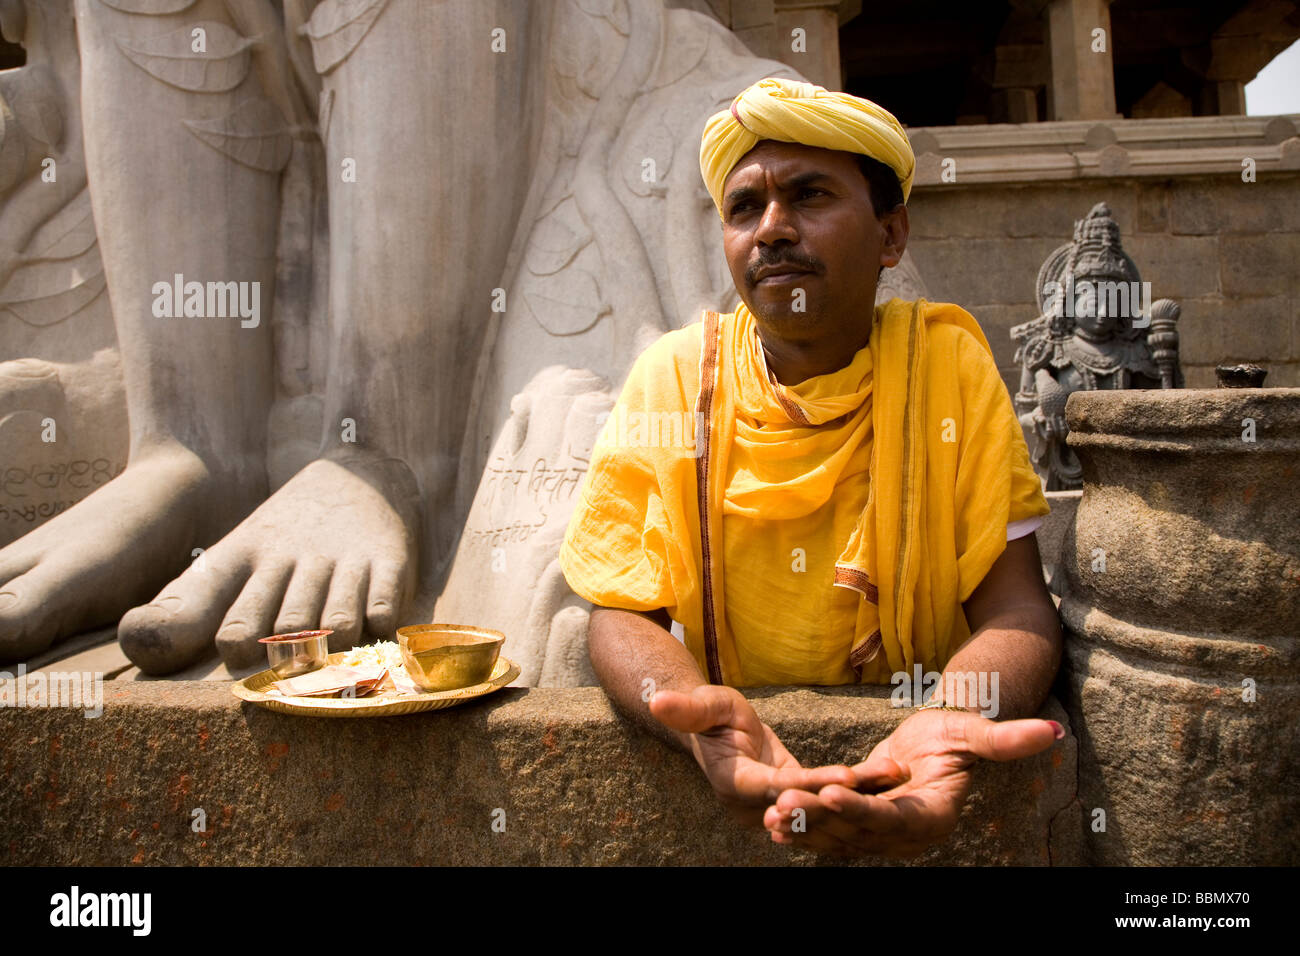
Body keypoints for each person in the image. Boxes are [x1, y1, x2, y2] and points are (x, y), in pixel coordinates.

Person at [559, 77, 1065, 858]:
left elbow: (1019, 611)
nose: (772, 231)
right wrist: (698, 718)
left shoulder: (948, 368)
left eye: (809, 195)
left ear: (891, 235)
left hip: (913, 741)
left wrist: (954, 720)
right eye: (744, 209)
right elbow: (623, 610)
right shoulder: (674, 378)